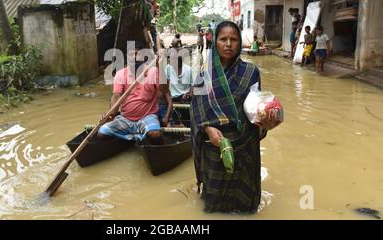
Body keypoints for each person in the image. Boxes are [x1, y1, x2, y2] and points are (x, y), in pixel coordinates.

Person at [191, 21, 282, 213]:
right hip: (215, 145)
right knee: (214, 201)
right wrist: (208, 129)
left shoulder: (251, 72)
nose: (228, 44)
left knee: (244, 202)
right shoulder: (202, 75)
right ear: (215, 42)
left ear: (240, 43)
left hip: (245, 143)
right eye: (223, 39)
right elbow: (197, 112)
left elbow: (256, 108)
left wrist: (266, 122)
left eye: (233, 39)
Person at [98, 42, 173, 145]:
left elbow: (164, 90)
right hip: (126, 118)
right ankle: (135, 137)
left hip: (147, 116)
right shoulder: (121, 74)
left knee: (155, 134)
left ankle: (145, 139)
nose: (133, 57)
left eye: (137, 54)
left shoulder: (153, 71)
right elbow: (116, 96)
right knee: (102, 133)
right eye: (130, 54)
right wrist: (111, 114)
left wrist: (160, 66)